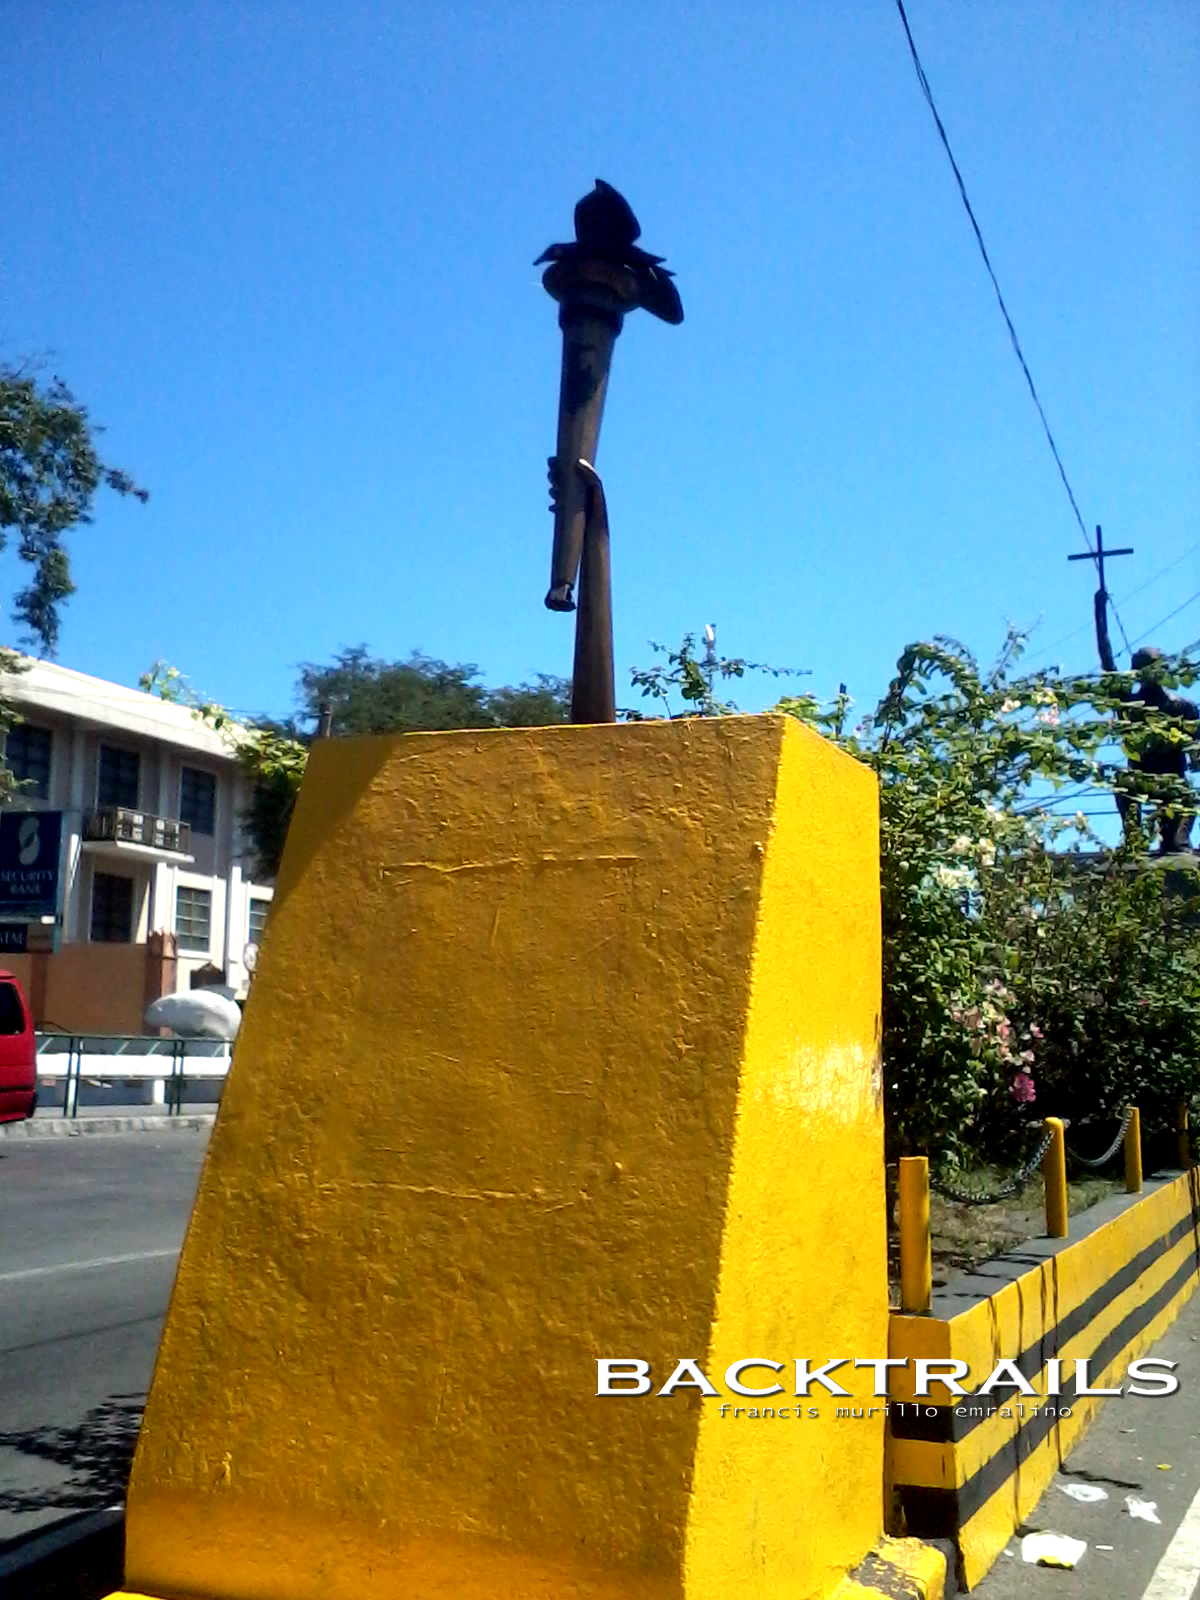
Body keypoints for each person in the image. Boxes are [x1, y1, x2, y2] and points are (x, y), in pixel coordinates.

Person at [1124, 647, 1200, 853]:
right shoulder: (1130, 707)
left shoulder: (1183, 707)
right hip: (1140, 779)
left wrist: (1194, 755)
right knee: (1122, 785)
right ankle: (1133, 840)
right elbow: (1108, 666)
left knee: (1175, 844)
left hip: (1173, 780)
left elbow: (1196, 751)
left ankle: (1177, 840)